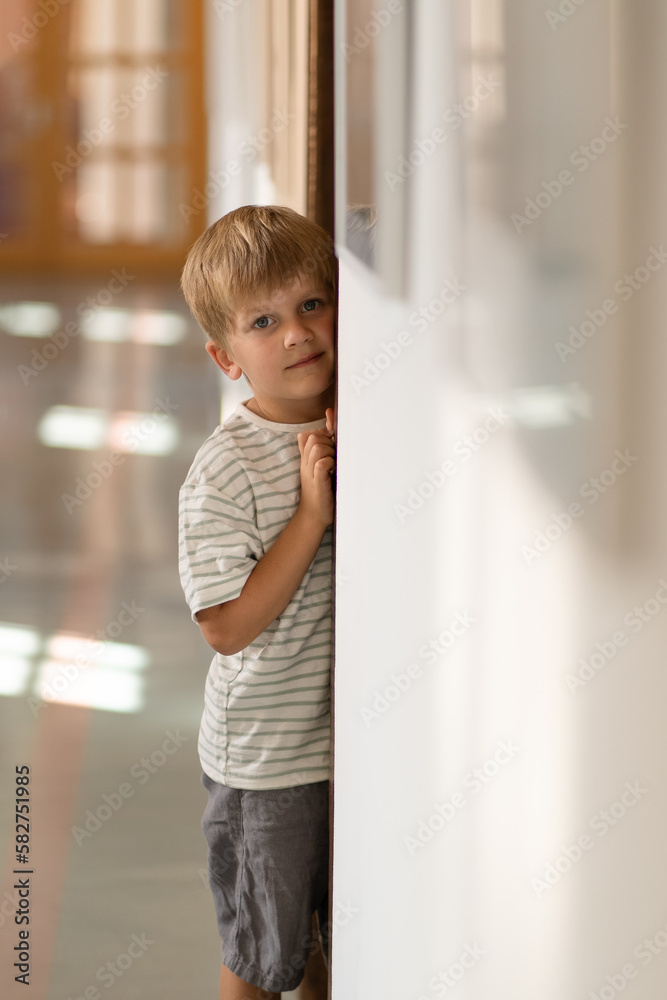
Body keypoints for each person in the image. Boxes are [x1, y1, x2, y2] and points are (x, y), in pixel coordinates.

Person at [178, 204, 337, 1000]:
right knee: (259, 958)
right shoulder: (226, 469)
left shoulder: (350, 416)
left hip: (331, 744)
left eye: (312, 304)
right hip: (265, 762)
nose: (296, 334)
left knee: (312, 936)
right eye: (264, 321)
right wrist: (310, 517)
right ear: (226, 355)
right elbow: (227, 627)